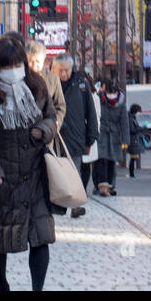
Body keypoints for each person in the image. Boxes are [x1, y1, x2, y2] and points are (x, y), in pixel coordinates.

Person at [0, 36, 56, 291]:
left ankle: (37, 288)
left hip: (35, 174)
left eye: (17, 65)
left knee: (40, 236)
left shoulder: (37, 85)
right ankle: (2, 284)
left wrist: (43, 130)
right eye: (6, 66)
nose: (12, 72)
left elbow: (52, 116)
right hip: (1, 177)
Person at [54, 54, 98, 218]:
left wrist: (91, 137)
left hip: (76, 136)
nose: (63, 74)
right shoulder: (50, 83)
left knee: (75, 172)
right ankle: (57, 202)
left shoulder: (82, 85)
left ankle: (76, 205)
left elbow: (90, 112)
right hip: (55, 136)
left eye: (66, 70)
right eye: (60, 70)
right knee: (56, 171)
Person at [95, 78, 129, 196]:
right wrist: (125, 140)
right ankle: (104, 186)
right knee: (103, 160)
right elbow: (124, 123)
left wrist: (125, 140)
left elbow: (124, 122)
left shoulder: (101, 98)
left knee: (108, 161)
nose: (112, 95)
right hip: (104, 133)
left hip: (109, 134)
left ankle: (108, 186)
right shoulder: (100, 98)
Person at [127, 104, 144, 177]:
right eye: (138, 111)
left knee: (134, 158)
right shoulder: (131, 119)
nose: (138, 113)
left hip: (134, 140)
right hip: (133, 141)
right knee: (133, 158)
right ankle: (131, 174)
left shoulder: (132, 118)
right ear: (135, 111)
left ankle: (132, 173)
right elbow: (132, 130)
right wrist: (141, 128)